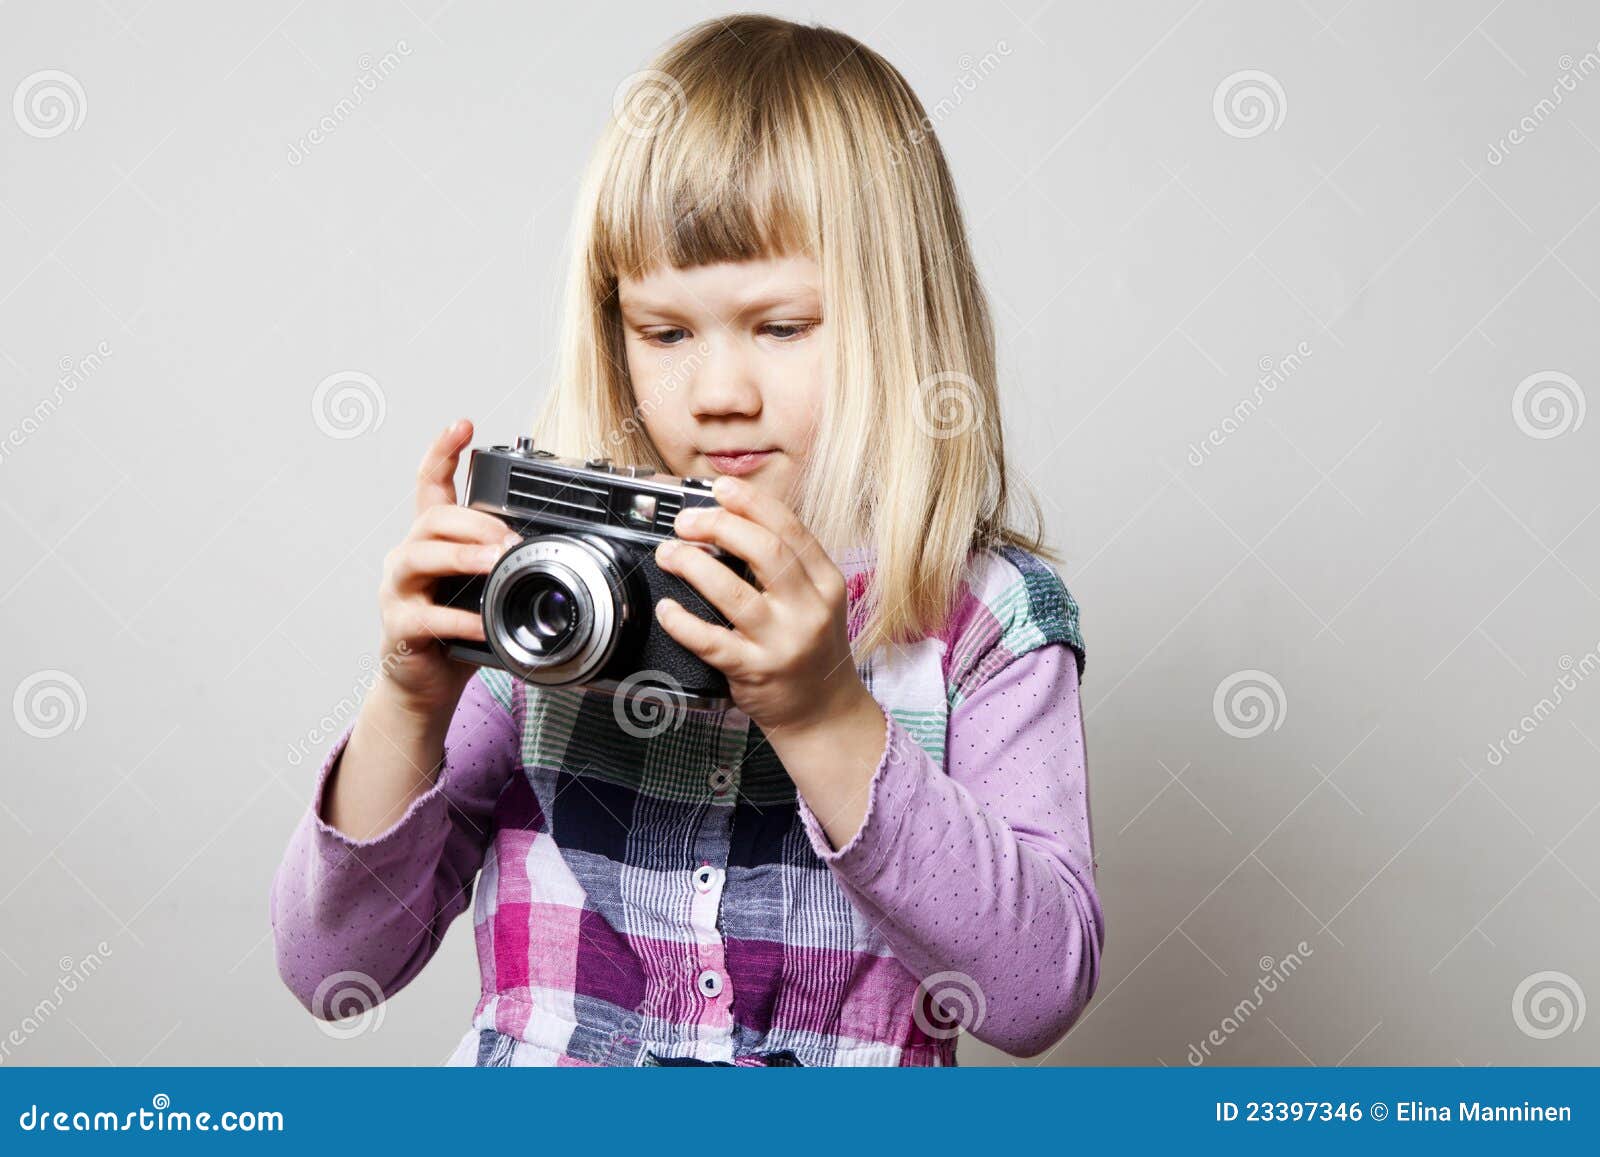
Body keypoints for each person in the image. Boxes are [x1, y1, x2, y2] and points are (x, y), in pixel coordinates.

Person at [269, 12, 1102, 1067]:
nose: (717, 393)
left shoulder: (983, 618)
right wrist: (409, 700)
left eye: (782, 327)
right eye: (664, 333)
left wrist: (823, 712)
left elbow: (1034, 993)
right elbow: (332, 968)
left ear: (906, 316)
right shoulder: (555, 588)